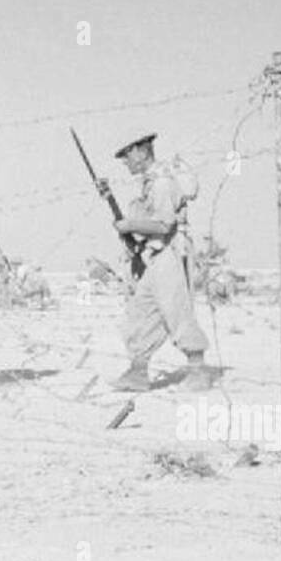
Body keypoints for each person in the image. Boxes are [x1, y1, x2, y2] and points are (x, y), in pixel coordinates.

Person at [98, 133, 211, 391]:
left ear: (140, 151)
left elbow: (163, 224)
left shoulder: (161, 183)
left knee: (177, 312)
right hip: (156, 255)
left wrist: (129, 225)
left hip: (171, 252)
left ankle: (198, 371)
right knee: (140, 311)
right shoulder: (149, 183)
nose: (125, 162)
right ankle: (138, 372)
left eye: (127, 155)